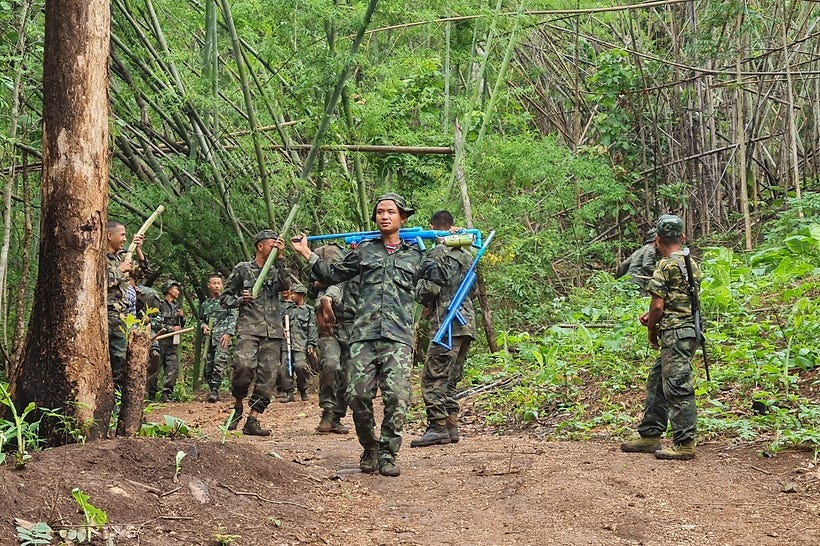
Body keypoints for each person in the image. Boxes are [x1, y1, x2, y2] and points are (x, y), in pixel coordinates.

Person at [291, 192, 456, 478]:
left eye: (391, 212)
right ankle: (370, 447)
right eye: (380, 212)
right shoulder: (364, 251)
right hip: (363, 337)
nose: (385, 216)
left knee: (397, 397)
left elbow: (443, 276)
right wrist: (306, 252)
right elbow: (332, 273)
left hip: (398, 338)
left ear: (402, 218)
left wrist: (444, 245)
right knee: (356, 394)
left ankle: (389, 453)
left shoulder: (416, 254)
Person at [621, 214, 700, 460]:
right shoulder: (690, 263)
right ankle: (650, 435)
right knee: (657, 381)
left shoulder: (665, 265)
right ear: (682, 237)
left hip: (675, 333)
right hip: (688, 330)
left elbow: (657, 305)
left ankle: (685, 443)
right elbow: (681, 300)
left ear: (657, 240)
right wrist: (656, 316)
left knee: (677, 386)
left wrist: (651, 329)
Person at [411, 210, 476, 447]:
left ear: (431, 228)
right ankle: (451, 425)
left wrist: (418, 289)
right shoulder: (467, 254)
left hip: (447, 322)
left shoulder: (438, 252)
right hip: (466, 322)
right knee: (450, 378)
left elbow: (429, 289)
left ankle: (437, 426)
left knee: (434, 377)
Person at [220, 230, 290, 436]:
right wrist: (240, 300)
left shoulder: (276, 270)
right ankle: (238, 404)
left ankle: (253, 418)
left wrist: (281, 258)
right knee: (243, 367)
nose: (275, 247)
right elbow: (225, 299)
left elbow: (286, 286)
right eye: (272, 245)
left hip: (273, 331)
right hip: (249, 328)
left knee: (268, 376)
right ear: (260, 246)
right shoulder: (242, 269)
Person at [313, 243, 357, 435]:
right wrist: (325, 304)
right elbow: (329, 291)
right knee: (331, 365)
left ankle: (336, 416)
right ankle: (328, 412)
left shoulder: (360, 272)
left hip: (354, 329)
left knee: (348, 374)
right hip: (330, 328)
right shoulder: (329, 278)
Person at [106, 220, 150, 391]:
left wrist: (138, 250)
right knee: (119, 359)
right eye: (122, 235)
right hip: (109, 315)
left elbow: (144, 273)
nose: (125, 239)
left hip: (124, 316)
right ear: (110, 236)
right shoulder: (99, 257)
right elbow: (99, 282)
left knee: (126, 358)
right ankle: (116, 396)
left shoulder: (124, 255)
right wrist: (119, 270)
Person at [199, 273, 238, 403]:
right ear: (209, 285)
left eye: (219, 283)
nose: (216, 286)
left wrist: (228, 333)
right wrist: (204, 326)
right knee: (208, 366)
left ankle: (215, 390)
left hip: (222, 337)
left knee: (219, 362)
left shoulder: (228, 301)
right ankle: (212, 389)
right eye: (214, 283)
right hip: (209, 339)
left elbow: (233, 317)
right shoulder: (205, 304)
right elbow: (201, 319)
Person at [278, 283, 319, 402]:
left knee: (300, 366)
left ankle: (303, 389)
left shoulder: (309, 310)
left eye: (294, 294)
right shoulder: (287, 309)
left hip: (301, 343)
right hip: (286, 343)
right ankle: (288, 392)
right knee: (285, 368)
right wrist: (282, 328)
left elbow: (312, 328)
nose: (292, 296)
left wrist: (311, 344)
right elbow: (277, 321)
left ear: (301, 295)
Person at [148, 280, 186, 403]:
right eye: (176, 289)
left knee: (172, 368)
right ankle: (151, 396)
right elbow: (153, 322)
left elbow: (181, 325)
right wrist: (170, 328)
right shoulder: (159, 304)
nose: (178, 291)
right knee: (155, 369)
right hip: (158, 342)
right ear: (169, 290)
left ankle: (166, 394)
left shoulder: (176, 307)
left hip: (171, 344)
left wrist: (182, 317)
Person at [615, 228, 658, 294]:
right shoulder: (650, 249)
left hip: (628, 280)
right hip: (638, 281)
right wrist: (659, 274)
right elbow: (646, 265)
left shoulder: (638, 251)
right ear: (656, 239)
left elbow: (624, 264)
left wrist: (618, 280)